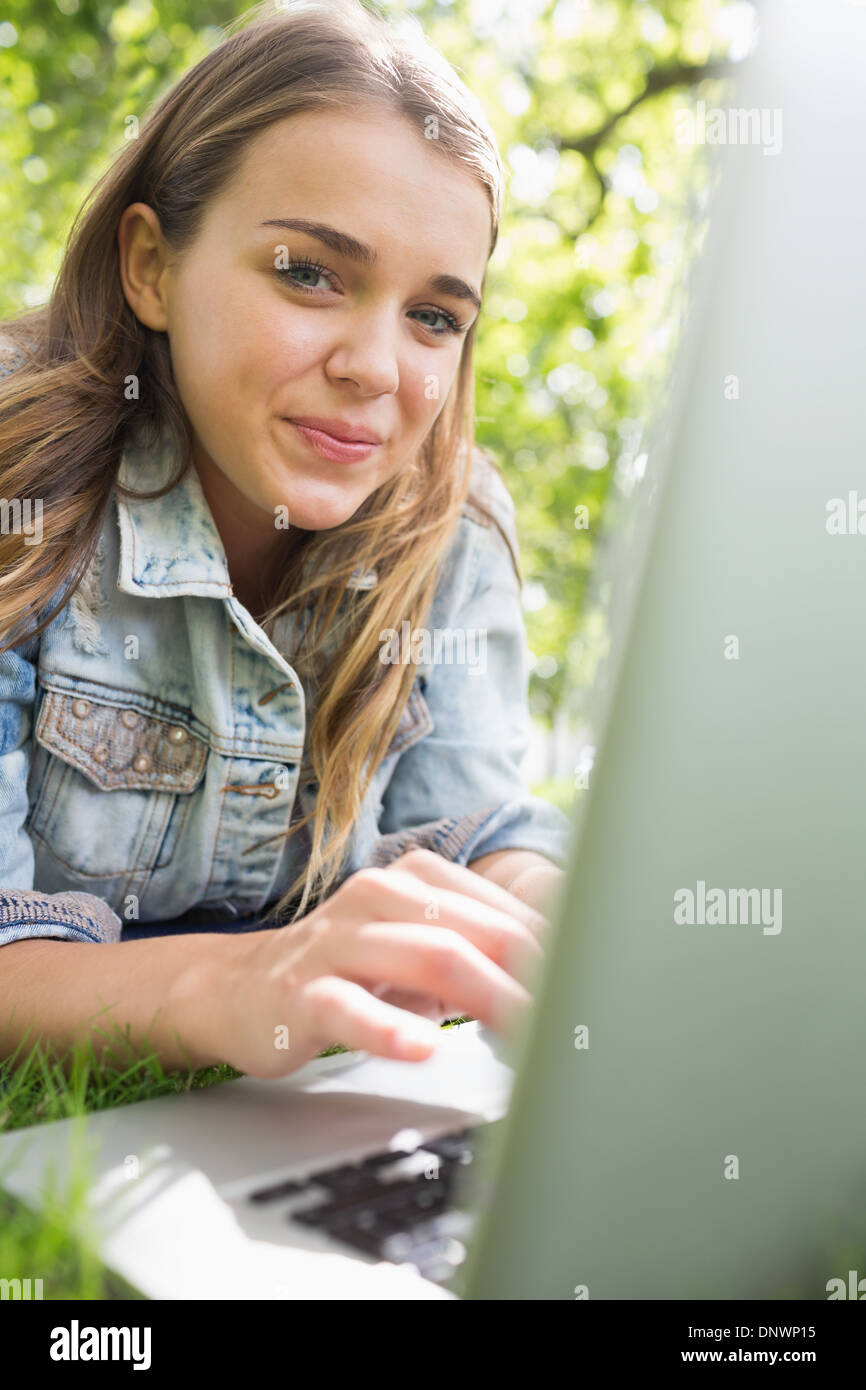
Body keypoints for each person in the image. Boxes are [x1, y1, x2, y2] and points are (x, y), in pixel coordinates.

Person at [0, 0, 571, 1079]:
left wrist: (559, 926)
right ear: (151, 268)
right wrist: (240, 982)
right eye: (309, 272)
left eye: (434, 317)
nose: (376, 369)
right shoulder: (18, 480)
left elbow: (470, 828)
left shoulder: (448, 528)